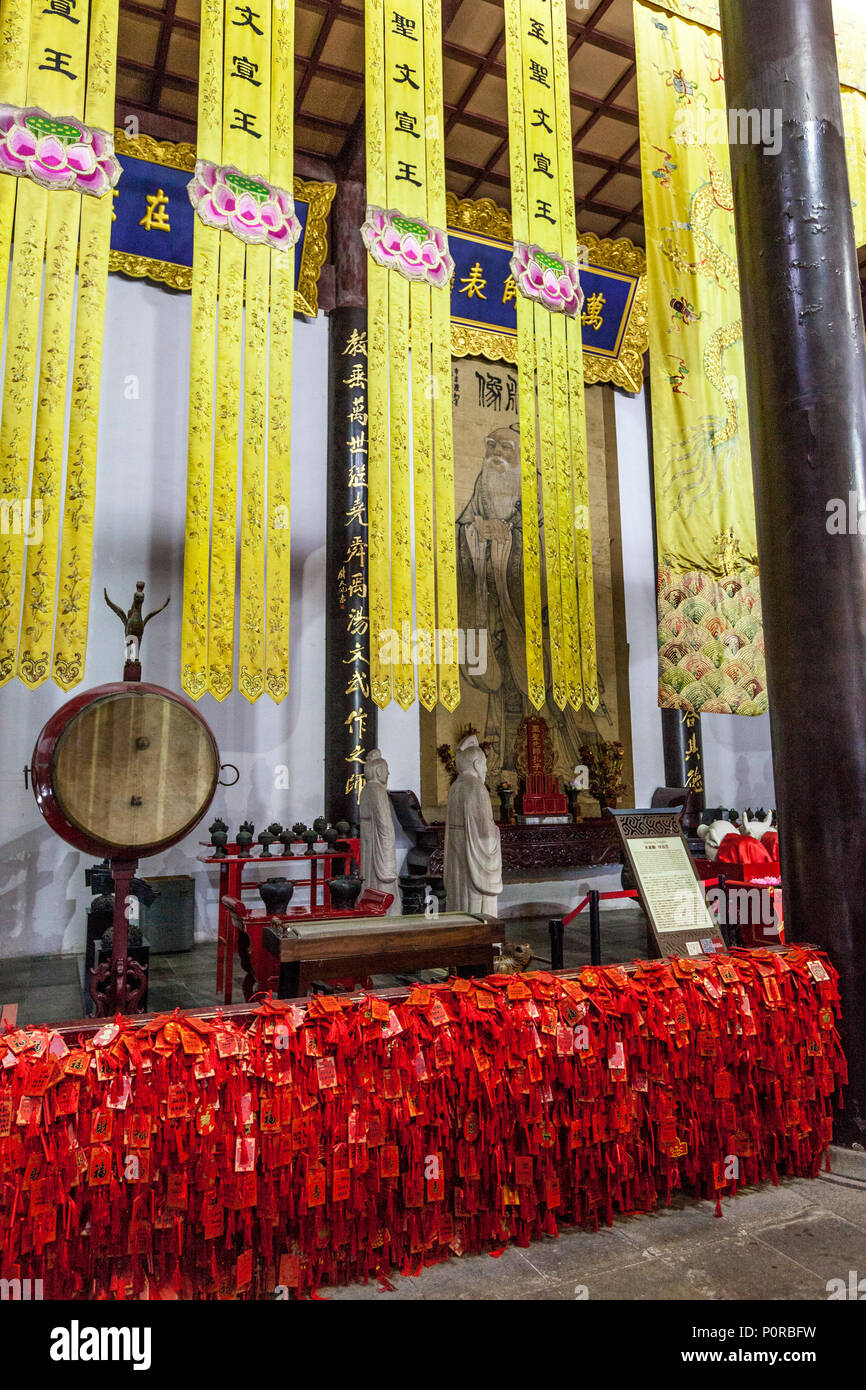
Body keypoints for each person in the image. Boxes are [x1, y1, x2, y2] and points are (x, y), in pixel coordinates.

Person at [444, 735, 502, 915]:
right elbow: (484, 831)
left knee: (459, 898)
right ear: (477, 764)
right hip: (472, 854)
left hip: (458, 853)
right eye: (484, 763)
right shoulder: (476, 787)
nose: (485, 768)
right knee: (474, 904)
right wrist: (496, 831)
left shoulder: (456, 786)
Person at [358, 749, 399, 913]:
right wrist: (389, 860)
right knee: (383, 888)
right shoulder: (378, 791)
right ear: (379, 771)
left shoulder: (366, 790)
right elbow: (385, 826)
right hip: (379, 848)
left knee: (369, 879)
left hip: (369, 845)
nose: (388, 773)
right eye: (386, 770)